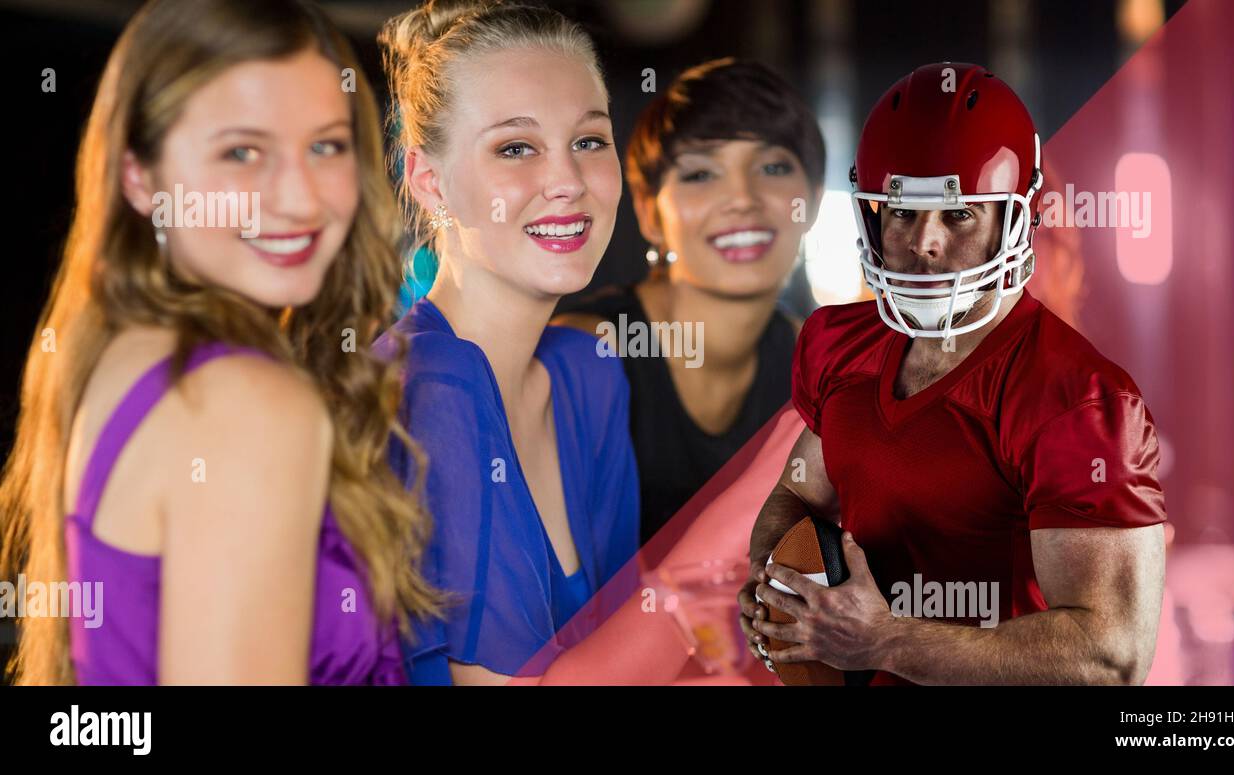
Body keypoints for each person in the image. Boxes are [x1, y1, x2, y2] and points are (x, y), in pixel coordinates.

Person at [0, 0, 442, 685]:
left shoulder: (121, 349)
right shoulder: (246, 402)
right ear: (139, 178)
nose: (300, 198)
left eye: (326, 145)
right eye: (242, 151)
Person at [740, 63, 1168, 685]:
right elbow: (800, 495)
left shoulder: (1078, 399)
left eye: (958, 215)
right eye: (901, 214)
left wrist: (884, 641)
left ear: (1013, 220)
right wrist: (772, 579)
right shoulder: (838, 343)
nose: (924, 243)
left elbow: (1110, 653)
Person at [374, 0, 641, 685]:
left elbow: (630, 645)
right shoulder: (428, 383)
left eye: (589, 140)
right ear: (430, 182)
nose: (568, 183)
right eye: (515, 148)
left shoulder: (590, 373)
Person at [556, 58, 825, 545]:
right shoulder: (582, 355)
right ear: (649, 213)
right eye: (701, 174)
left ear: (814, 199)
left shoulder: (818, 364)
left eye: (772, 167)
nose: (743, 198)